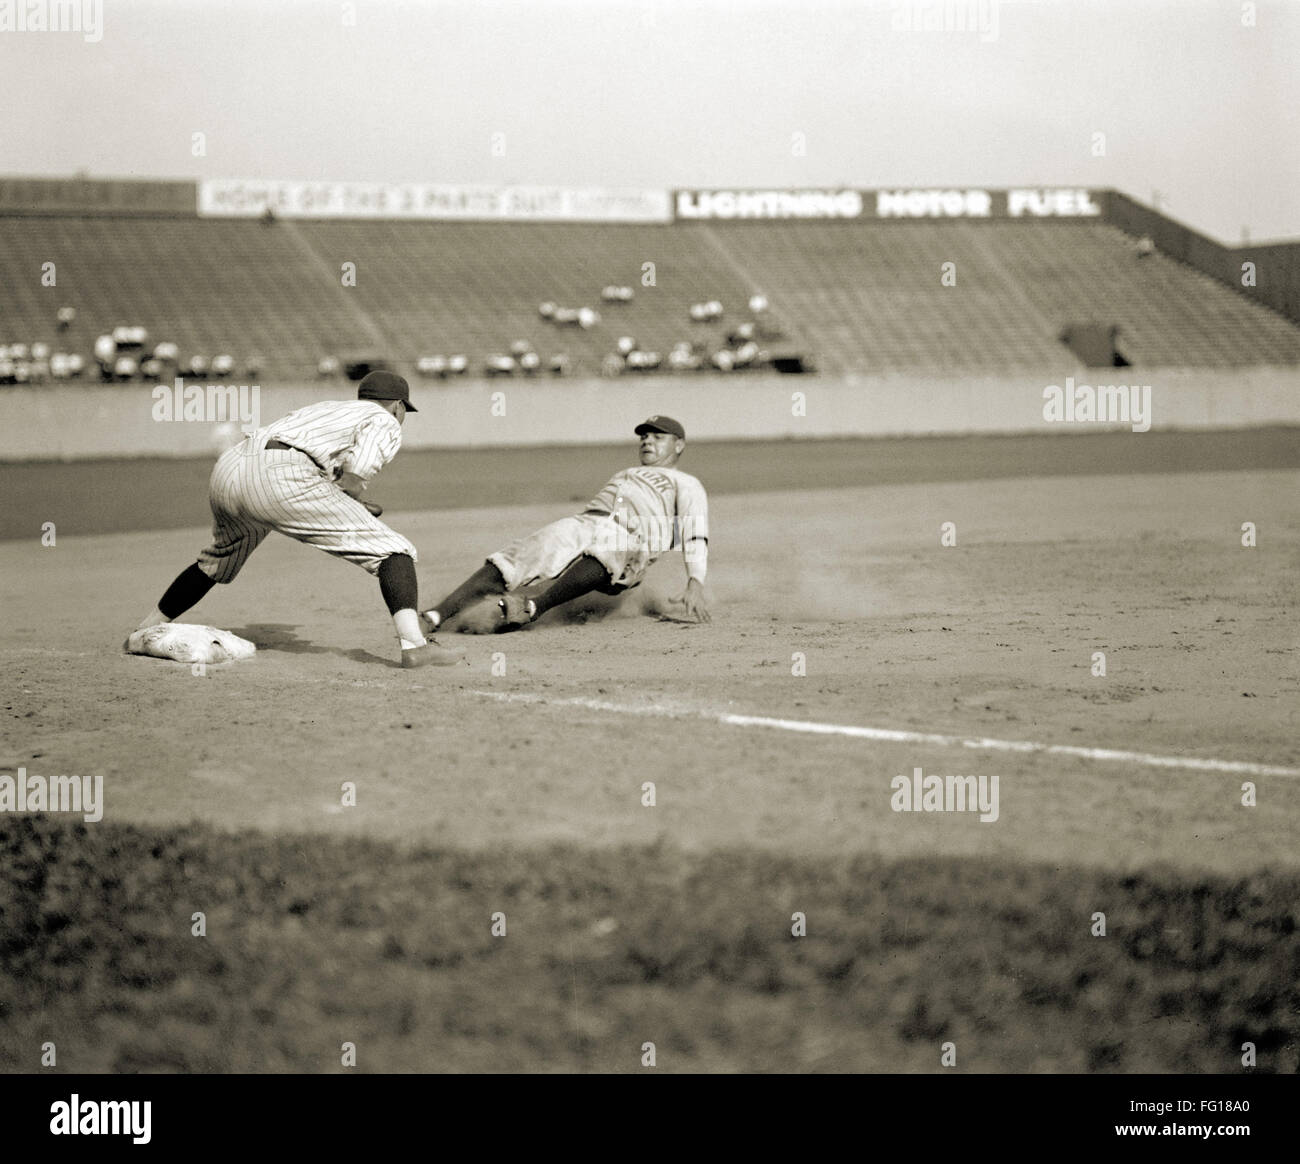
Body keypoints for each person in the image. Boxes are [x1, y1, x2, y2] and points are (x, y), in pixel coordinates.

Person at [130, 370, 463, 669]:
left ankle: (145, 629)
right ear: (398, 406)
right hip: (281, 476)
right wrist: (354, 495)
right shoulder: (384, 418)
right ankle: (415, 646)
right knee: (394, 550)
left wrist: (343, 494)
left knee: (217, 561)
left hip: (230, 467)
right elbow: (357, 472)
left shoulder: (327, 410)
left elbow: (329, 475)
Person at [423, 415, 710, 634]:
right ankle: (435, 615)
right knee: (521, 553)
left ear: (679, 445)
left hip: (632, 541)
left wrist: (695, 581)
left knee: (612, 546)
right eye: (644, 437)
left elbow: (695, 534)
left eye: (658, 437)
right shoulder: (626, 472)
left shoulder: (687, 483)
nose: (647, 441)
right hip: (587, 522)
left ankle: (534, 607)